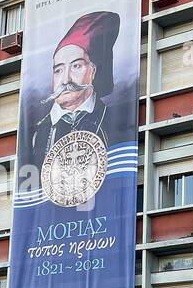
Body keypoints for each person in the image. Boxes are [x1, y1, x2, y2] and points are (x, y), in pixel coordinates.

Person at [24, 11, 125, 171]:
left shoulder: (115, 120)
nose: (65, 80)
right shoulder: (36, 132)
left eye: (76, 66)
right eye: (58, 70)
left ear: (92, 71)